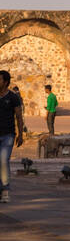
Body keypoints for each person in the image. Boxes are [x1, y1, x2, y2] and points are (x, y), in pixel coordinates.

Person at [0, 71, 24, 204]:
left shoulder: (13, 97)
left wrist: (20, 134)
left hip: (8, 135)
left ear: (5, 82)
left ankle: (5, 191)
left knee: (3, 161)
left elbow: (19, 116)